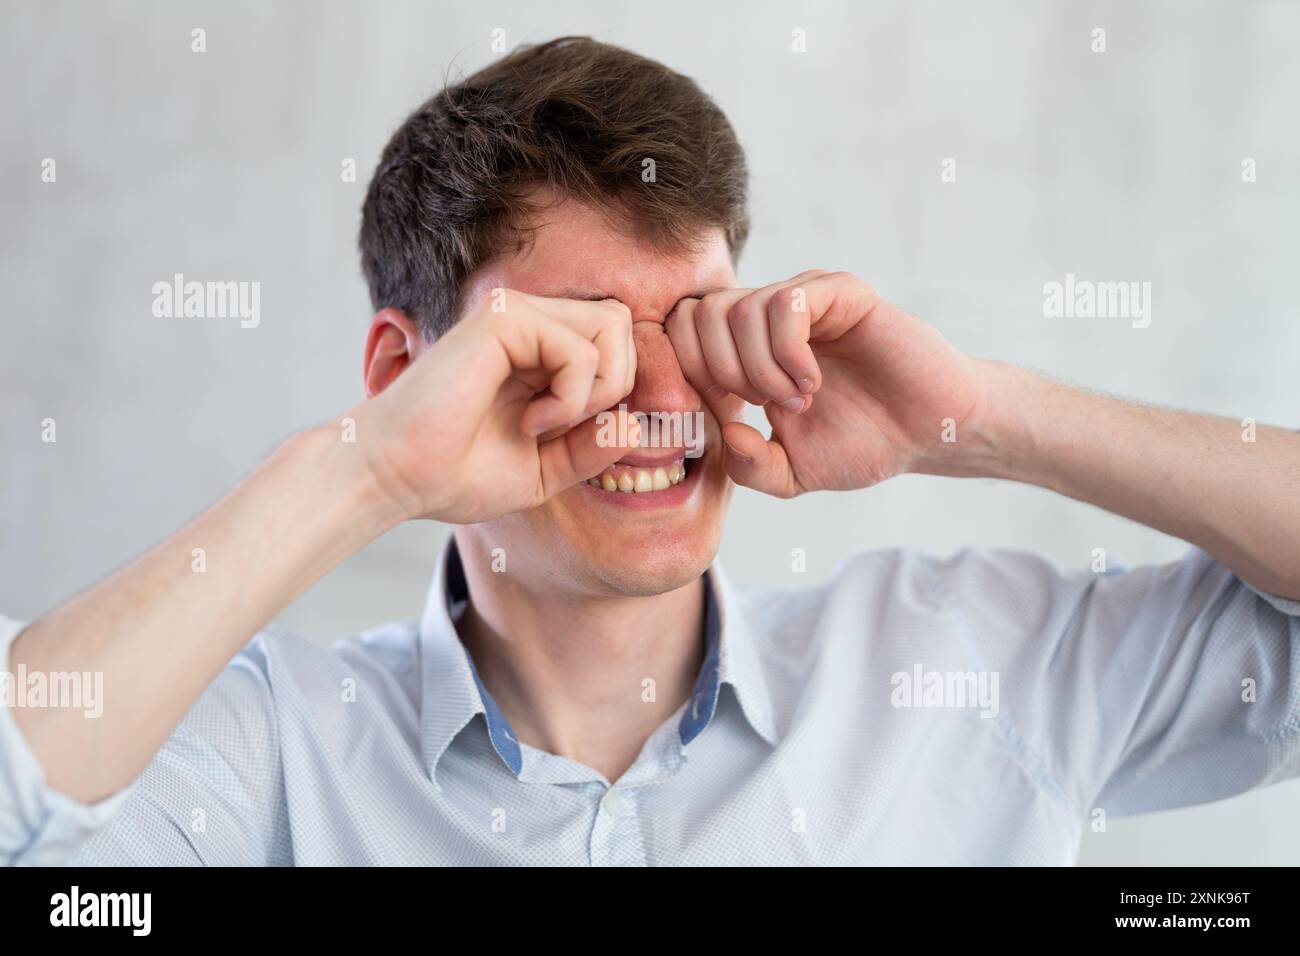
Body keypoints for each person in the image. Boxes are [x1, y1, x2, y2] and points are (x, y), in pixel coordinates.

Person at [3, 37, 1297, 866]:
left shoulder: (971, 667)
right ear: (408, 374)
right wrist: (365, 470)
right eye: (576, 339)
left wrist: (978, 412)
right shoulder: (278, 747)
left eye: (690, 321)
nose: (662, 394)